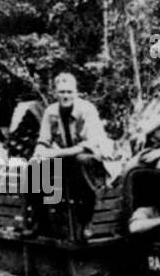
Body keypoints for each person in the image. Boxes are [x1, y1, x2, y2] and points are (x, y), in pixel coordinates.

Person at [33, 72, 111, 238]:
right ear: (55, 93)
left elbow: (87, 146)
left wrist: (54, 153)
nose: (65, 96)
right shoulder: (51, 112)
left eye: (69, 92)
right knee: (35, 168)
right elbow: (44, 139)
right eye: (62, 92)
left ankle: (87, 221)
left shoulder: (87, 109)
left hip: (93, 156)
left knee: (81, 162)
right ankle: (41, 222)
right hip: (66, 156)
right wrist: (38, 153)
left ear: (76, 93)